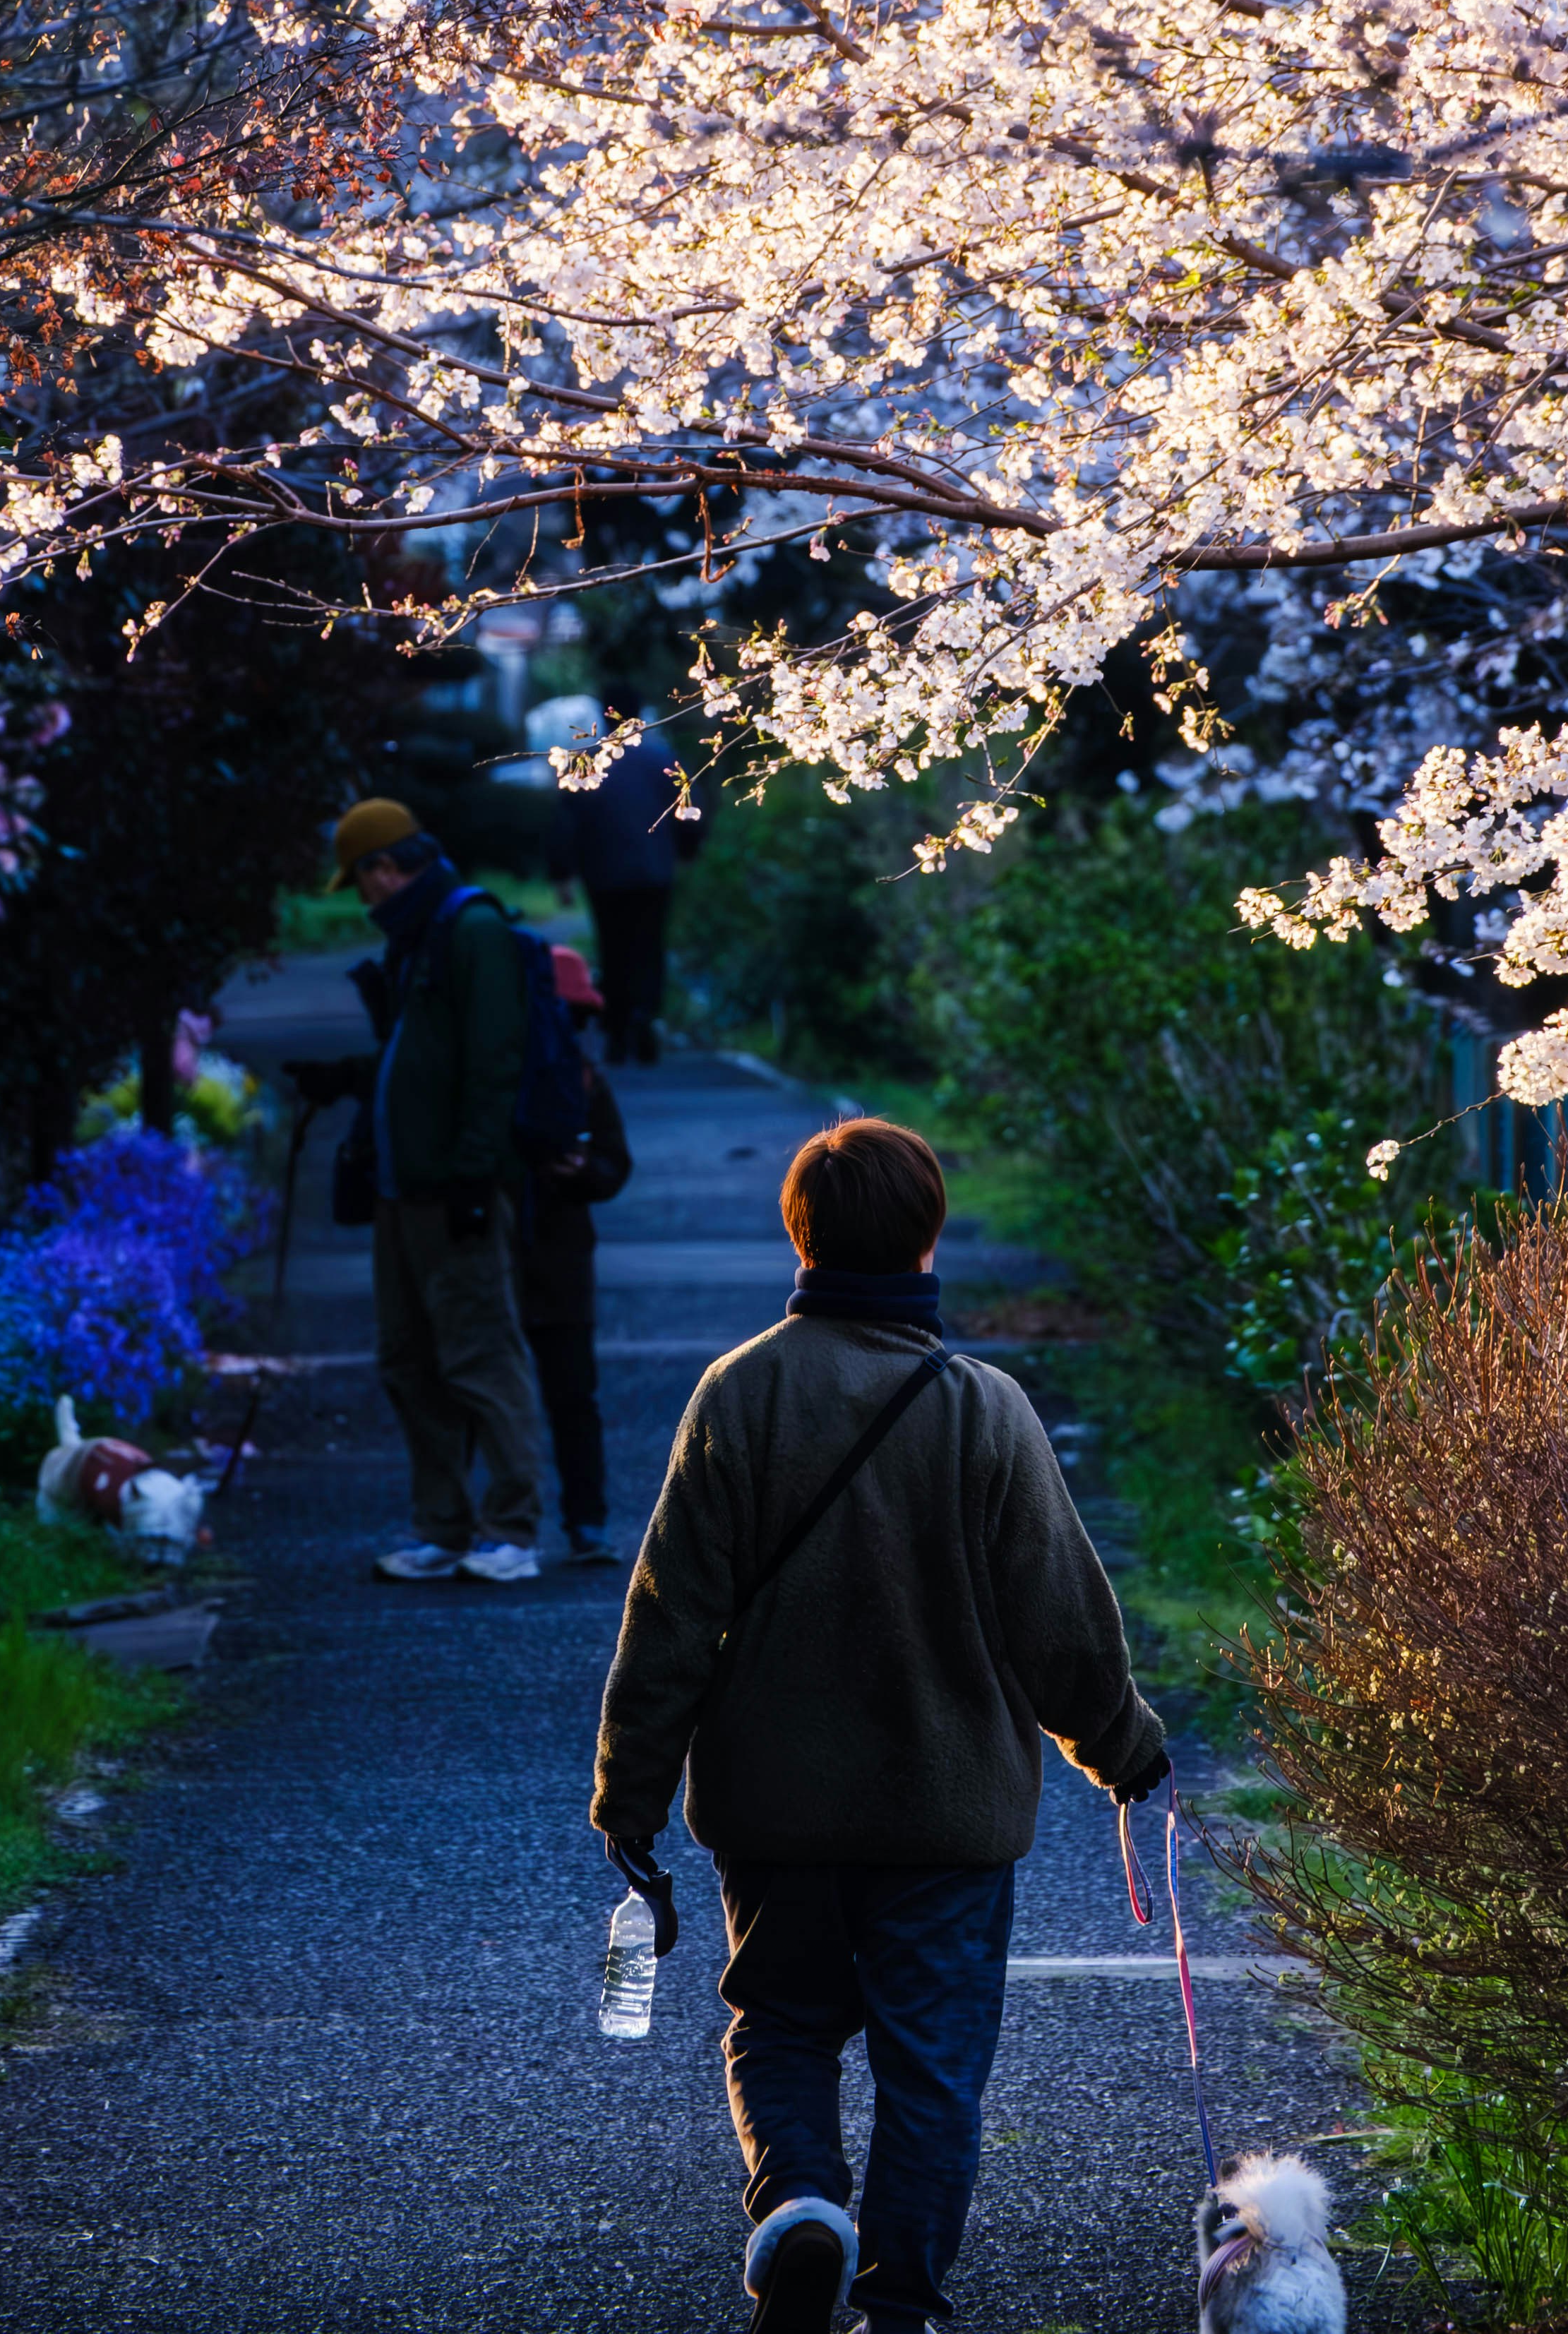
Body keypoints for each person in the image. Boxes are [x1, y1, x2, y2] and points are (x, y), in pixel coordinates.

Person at [591, 1115, 1170, 2334]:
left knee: (781, 2019)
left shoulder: (737, 1394)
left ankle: (799, 2202)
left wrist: (628, 1797)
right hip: (943, 1815)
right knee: (931, 2067)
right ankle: (897, 2298)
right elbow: (1059, 1623)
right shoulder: (984, 1409)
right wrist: (1121, 1749)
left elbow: (668, 1618)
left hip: (775, 1805)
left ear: (794, 1230)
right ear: (927, 1236)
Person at [329, 794, 546, 1587]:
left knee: (480, 1354)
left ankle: (511, 1528)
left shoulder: (470, 932)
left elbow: (494, 1064)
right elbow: (417, 1062)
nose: (363, 899)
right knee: (409, 1359)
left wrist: (473, 1176)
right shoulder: (423, 938)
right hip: (404, 1189)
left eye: (362, 880)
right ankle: (444, 1526)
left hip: (451, 1188)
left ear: (387, 867)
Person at [517, 986, 630, 1564]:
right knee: (493, 1393)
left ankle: (586, 1522)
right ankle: (495, 1525)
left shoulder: (583, 1080)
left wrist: (584, 1170)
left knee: (571, 1398)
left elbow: (616, 1162)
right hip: (507, 1249)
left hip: (560, 1258)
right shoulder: (504, 1069)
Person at [564, 691, 694, 1066]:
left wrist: (563, 872)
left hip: (603, 873)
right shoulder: (661, 759)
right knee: (649, 945)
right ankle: (644, 1016)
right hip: (655, 871)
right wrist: (685, 852)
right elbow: (687, 807)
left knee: (613, 946)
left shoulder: (587, 762)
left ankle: (617, 1026)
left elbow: (567, 821)